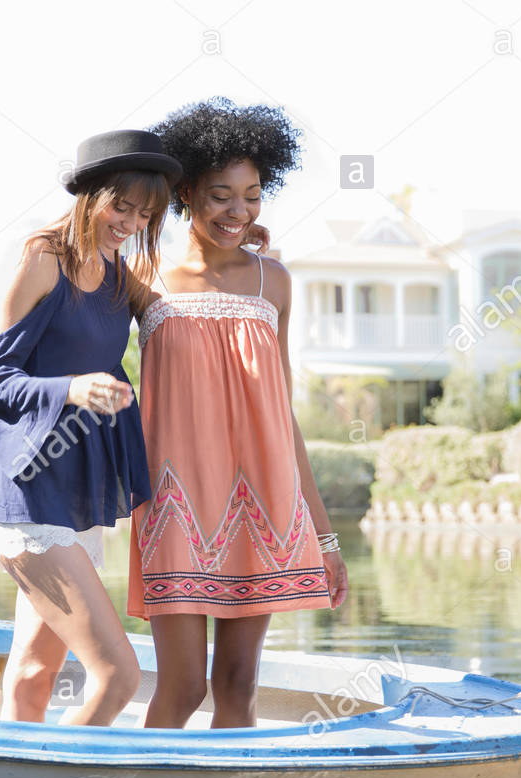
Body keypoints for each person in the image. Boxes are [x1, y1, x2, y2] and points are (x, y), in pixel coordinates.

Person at [128, 99, 350, 729]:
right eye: (221, 195)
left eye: (252, 196)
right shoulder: (144, 278)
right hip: (174, 502)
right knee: (182, 685)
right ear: (187, 192)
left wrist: (325, 536)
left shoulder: (272, 282)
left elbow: (283, 413)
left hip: (265, 502)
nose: (238, 211)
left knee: (238, 682)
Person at [0, 130, 180, 727]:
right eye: (121, 205)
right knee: (118, 674)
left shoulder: (115, 269)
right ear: (89, 193)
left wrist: (240, 256)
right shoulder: (40, 257)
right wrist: (71, 388)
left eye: (145, 214)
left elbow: (178, 309)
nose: (130, 222)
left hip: (74, 498)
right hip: (26, 497)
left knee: (34, 675)